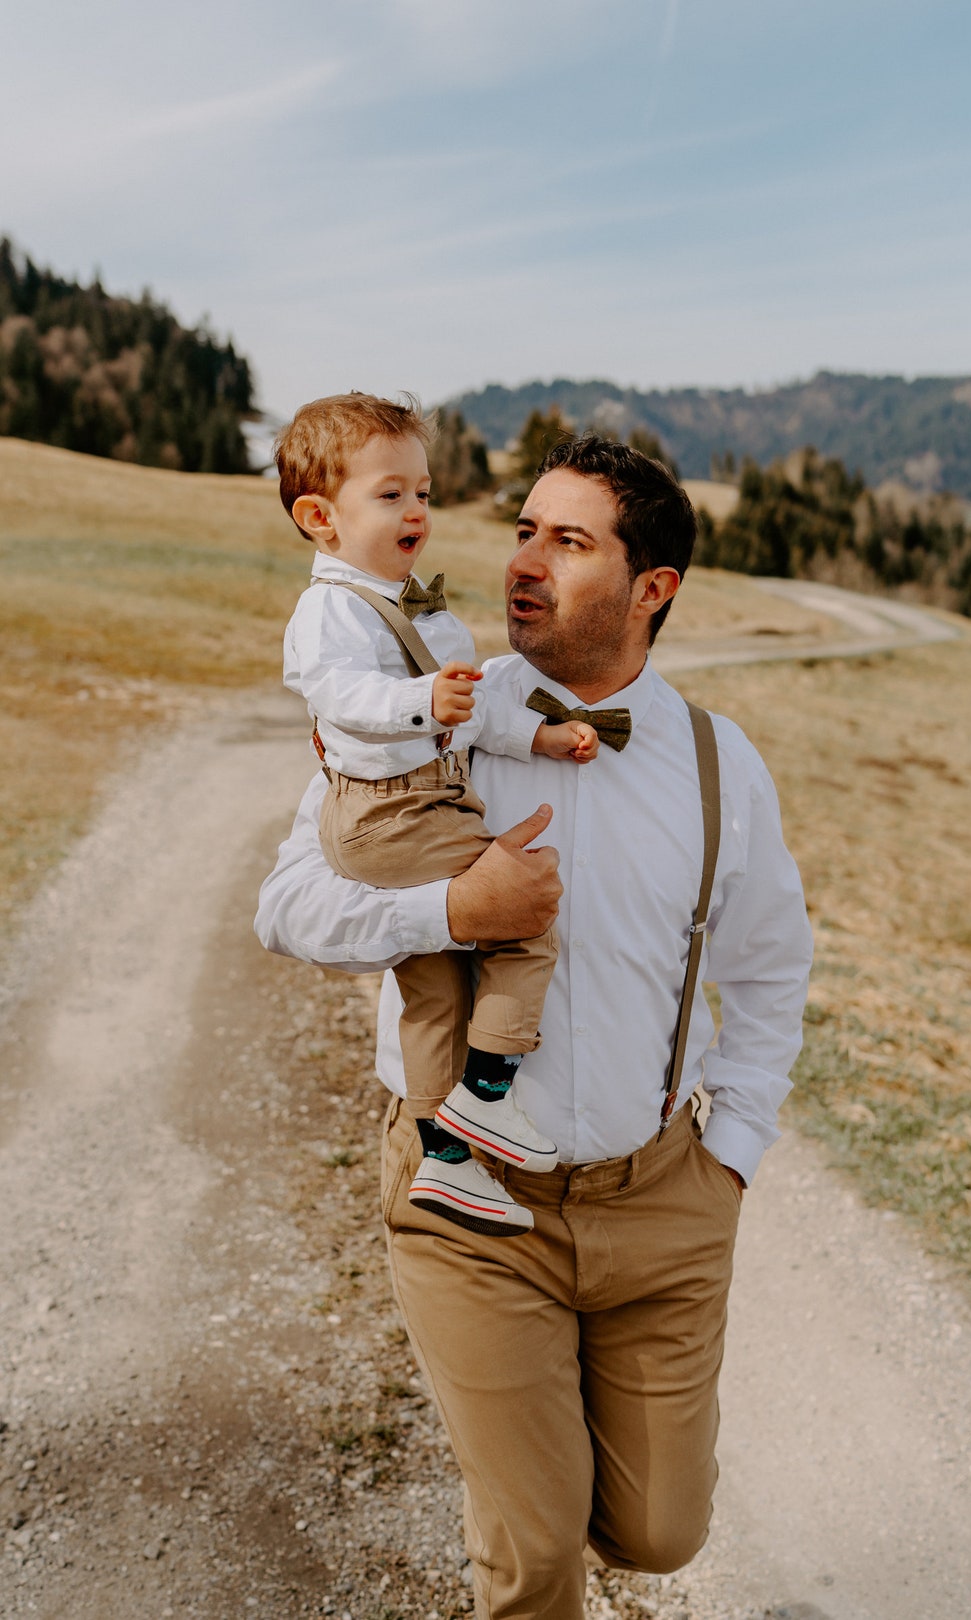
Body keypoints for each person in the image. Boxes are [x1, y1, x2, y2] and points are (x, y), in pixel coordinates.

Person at [256, 434, 813, 1620]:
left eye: (568, 542)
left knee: (660, 1534)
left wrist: (733, 1155)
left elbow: (771, 967)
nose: (524, 562)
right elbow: (287, 903)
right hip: (472, 1211)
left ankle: (549, 1486)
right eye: (522, 531)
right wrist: (451, 908)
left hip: (663, 1203)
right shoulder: (430, 718)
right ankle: (527, 1509)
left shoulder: (723, 767)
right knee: (539, 1562)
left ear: (649, 587)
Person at [276, 392, 599, 1236]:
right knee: (526, 920)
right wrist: (425, 699)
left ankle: (443, 1159)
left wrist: (541, 734)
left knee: (430, 989)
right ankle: (488, 1097)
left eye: (422, 491)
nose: (416, 508)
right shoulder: (330, 610)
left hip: (415, 803)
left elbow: (476, 703)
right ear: (321, 518)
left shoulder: (419, 603)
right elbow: (339, 694)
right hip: (394, 811)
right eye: (390, 495)